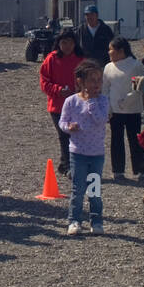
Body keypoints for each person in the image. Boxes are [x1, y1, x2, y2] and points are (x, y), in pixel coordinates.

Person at [59, 60, 110, 235]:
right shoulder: (71, 101)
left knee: (94, 190)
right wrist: (68, 127)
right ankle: (74, 220)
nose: (97, 84)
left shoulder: (103, 101)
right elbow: (62, 122)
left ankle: (96, 221)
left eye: (99, 80)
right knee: (78, 189)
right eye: (92, 80)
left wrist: (92, 102)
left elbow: (101, 119)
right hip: (78, 153)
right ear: (81, 81)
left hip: (96, 154)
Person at [39, 28, 83, 176]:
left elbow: (89, 80)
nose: (67, 46)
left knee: (76, 135)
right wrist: (58, 90)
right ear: (58, 43)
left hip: (77, 105)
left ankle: (67, 164)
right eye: (64, 42)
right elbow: (44, 82)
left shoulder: (80, 59)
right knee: (64, 135)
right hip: (57, 106)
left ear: (75, 43)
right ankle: (68, 165)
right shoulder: (51, 59)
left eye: (70, 42)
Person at [103, 37, 144, 181]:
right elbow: (105, 89)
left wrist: (127, 99)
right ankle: (118, 170)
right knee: (116, 140)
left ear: (121, 51)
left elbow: (140, 86)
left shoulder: (136, 65)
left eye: (111, 49)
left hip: (133, 110)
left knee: (135, 140)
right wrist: (107, 107)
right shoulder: (108, 67)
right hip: (115, 111)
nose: (109, 52)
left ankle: (141, 170)